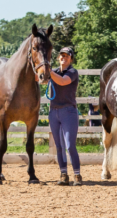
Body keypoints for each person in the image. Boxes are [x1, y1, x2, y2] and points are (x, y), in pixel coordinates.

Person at [48, 47, 81, 186]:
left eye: (67, 56)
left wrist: (48, 71)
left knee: (69, 145)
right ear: (58, 57)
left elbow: (62, 81)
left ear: (71, 59)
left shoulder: (72, 72)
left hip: (68, 112)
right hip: (53, 111)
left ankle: (77, 174)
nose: (63, 57)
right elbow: (39, 78)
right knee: (59, 145)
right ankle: (63, 174)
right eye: (62, 55)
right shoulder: (53, 71)